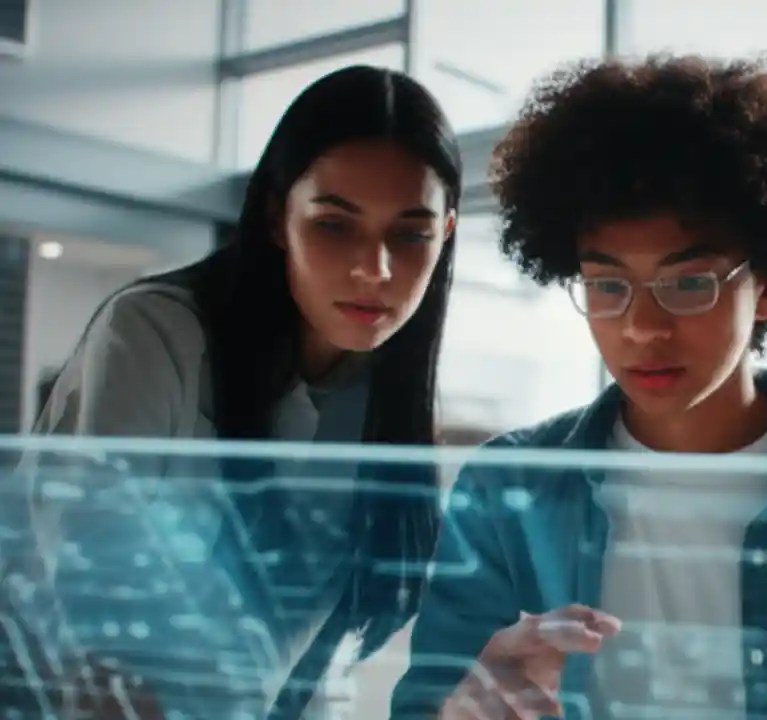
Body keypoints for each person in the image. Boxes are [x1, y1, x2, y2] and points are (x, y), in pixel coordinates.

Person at [391, 55, 767, 719]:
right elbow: (425, 709)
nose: (641, 327)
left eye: (689, 283)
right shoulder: (504, 493)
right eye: (608, 285)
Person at [2, 64, 461, 718]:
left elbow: (306, 663)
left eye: (410, 233)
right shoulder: (158, 333)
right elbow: (80, 605)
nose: (375, 269)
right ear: (278, 217)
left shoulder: (386, 405)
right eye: (335, 224)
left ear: (443, 236)